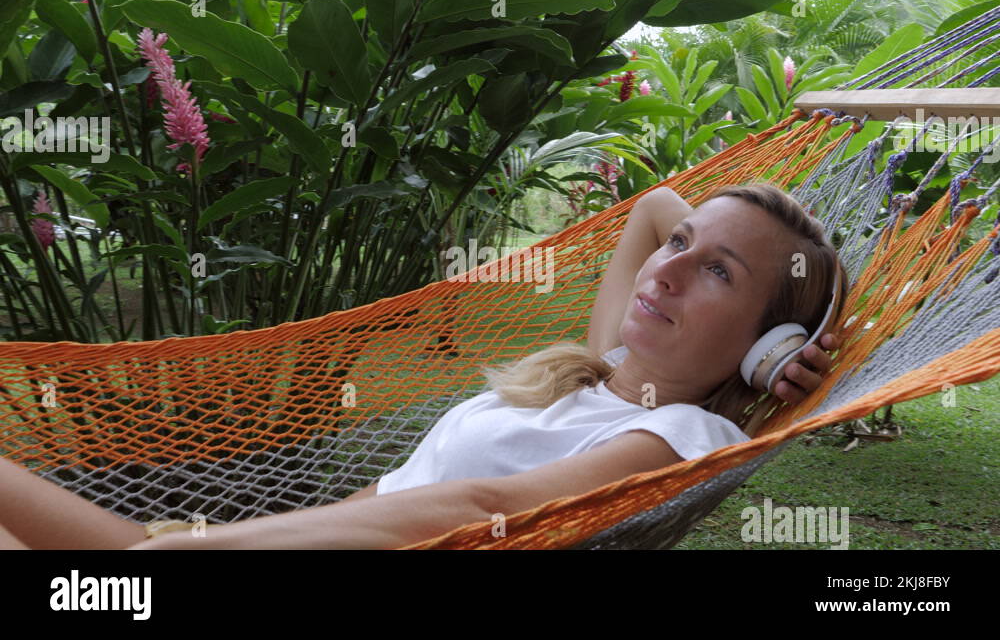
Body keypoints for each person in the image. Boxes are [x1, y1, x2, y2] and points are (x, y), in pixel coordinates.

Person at [0, 182, 844, 550]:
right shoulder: (603, 370)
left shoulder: (678, 431)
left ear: (763, 347)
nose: (665, 268)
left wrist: (810, 311)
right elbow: (653, 210)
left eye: (718, 274)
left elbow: (487, 508)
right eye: (682, 248)